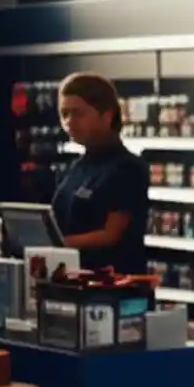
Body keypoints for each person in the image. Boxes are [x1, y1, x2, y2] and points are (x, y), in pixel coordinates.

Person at [52, 72, 148, 274]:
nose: (69, 121)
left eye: (78, 113)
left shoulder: (128, 168)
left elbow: (111, 235)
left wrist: (57, 243)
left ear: (107, 115)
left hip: (112, 287)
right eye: (64, 114)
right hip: (74, 280)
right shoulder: (77, 167)